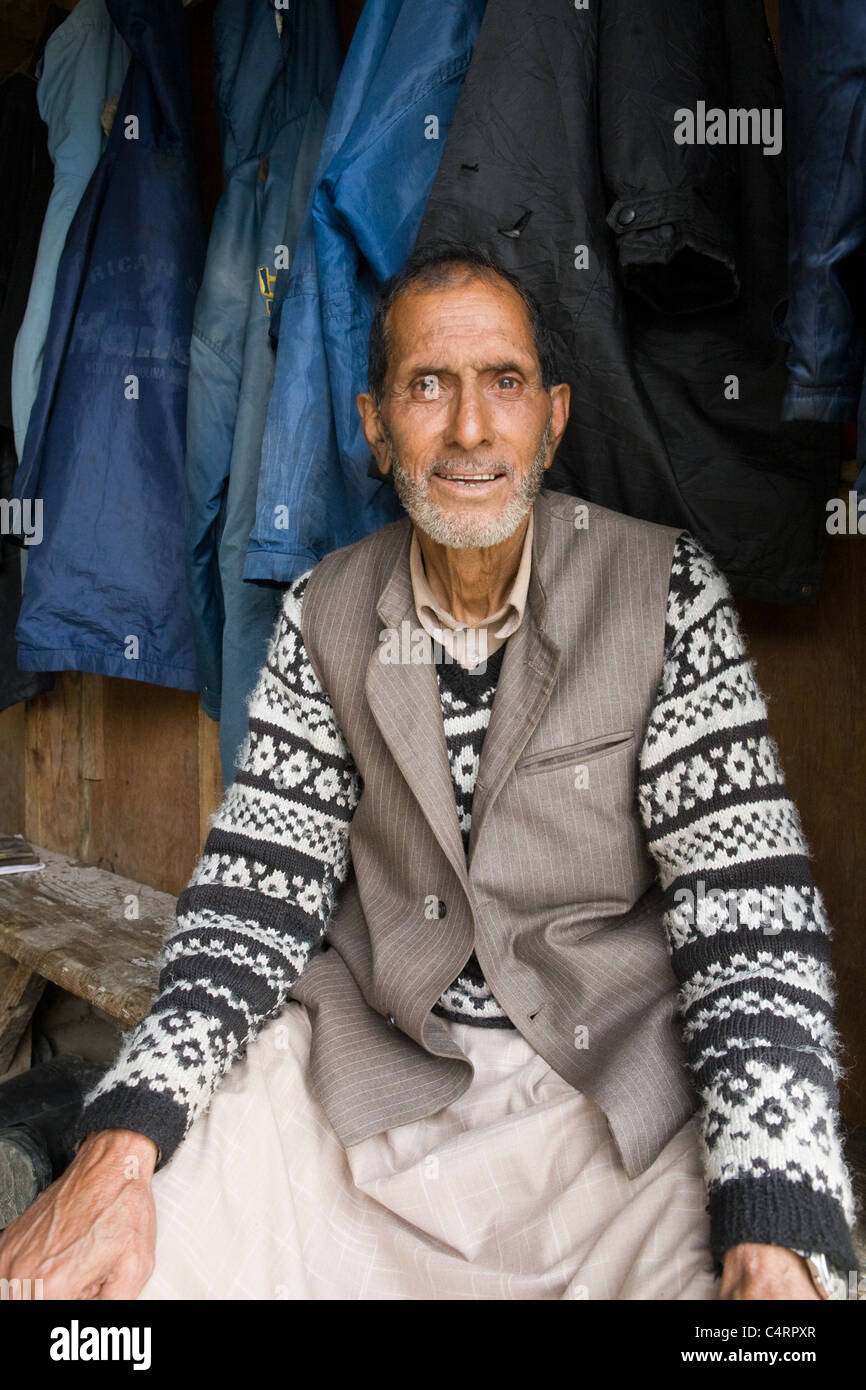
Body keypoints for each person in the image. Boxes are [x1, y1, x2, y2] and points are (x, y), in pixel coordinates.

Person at [0, 242, 857, 1300]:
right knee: (103, 1287)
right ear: (372, 423)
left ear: (552, 416)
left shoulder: (663, 592)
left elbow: (747, 913)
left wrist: (773, 1213)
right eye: (426, 385)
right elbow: (248, 906)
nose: (466, 429)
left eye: (502, 382)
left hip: (612, 1112)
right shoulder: (326, 610)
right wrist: (117, 1148)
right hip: (366, 1096)